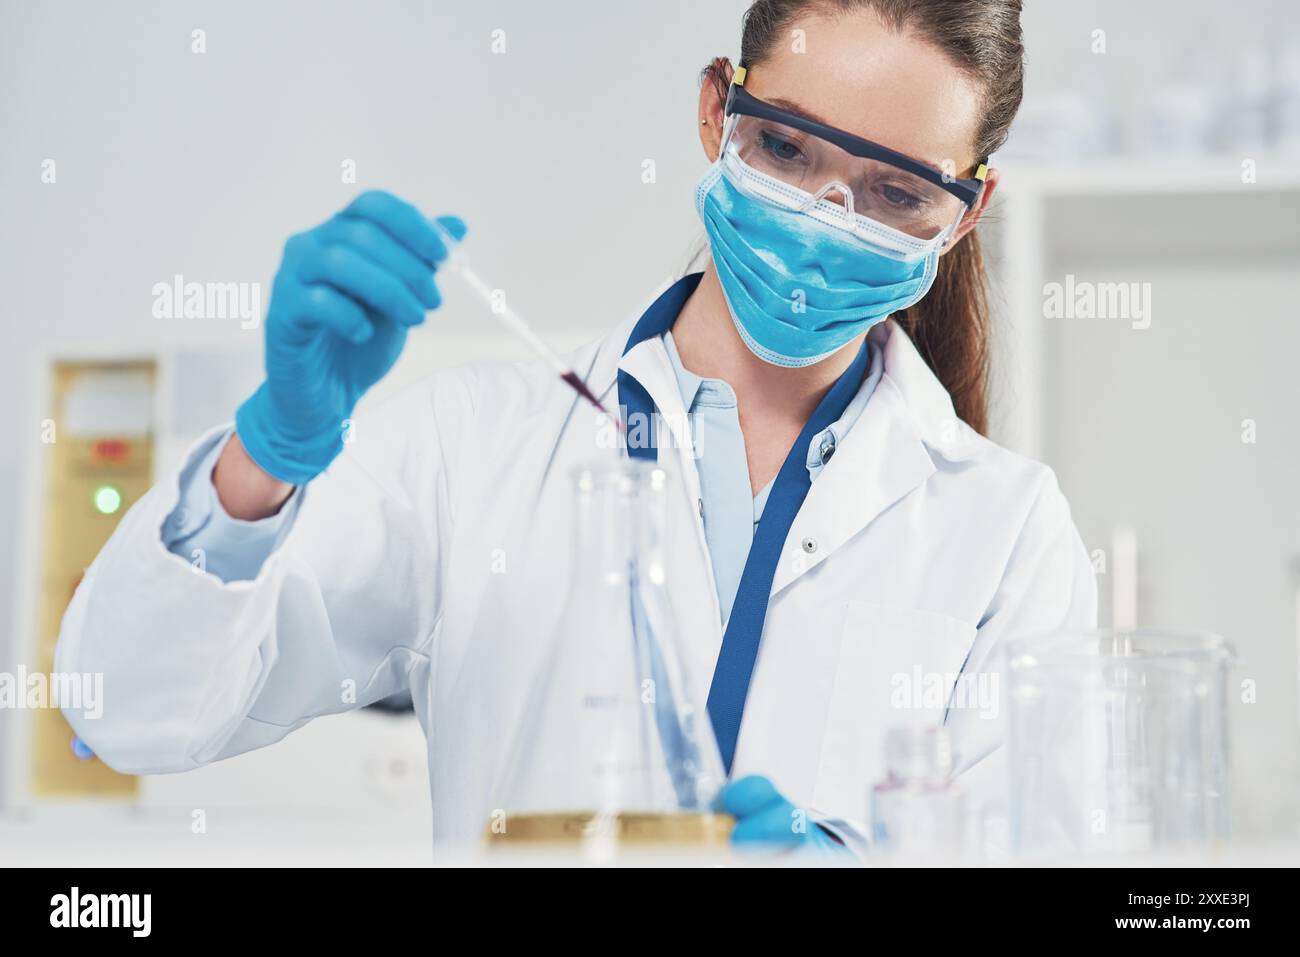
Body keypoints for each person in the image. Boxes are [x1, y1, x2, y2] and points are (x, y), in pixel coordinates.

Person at [57, 0, 1095, 857]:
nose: (825, 216)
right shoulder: (475, 449)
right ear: (713, 110)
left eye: (896, 191)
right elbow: (133, 710)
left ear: (964, 211)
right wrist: (268, 452)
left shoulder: (1004, 531)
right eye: (783, 146)